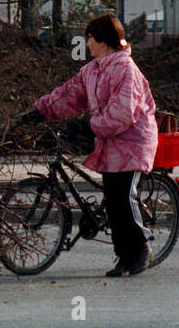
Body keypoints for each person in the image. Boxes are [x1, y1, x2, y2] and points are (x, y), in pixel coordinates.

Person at [21, 14, 159, 277]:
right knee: (112, 200)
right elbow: (69, 94)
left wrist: (89, 126)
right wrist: (41, 110)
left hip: (133, 141)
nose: (87, 43)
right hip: (110, 142)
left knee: (122, 196)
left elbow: (124, 112)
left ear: (104, 42)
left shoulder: (126, 69)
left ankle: (141, 247)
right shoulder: (93, 70)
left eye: (90, 38)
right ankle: (124, 257)